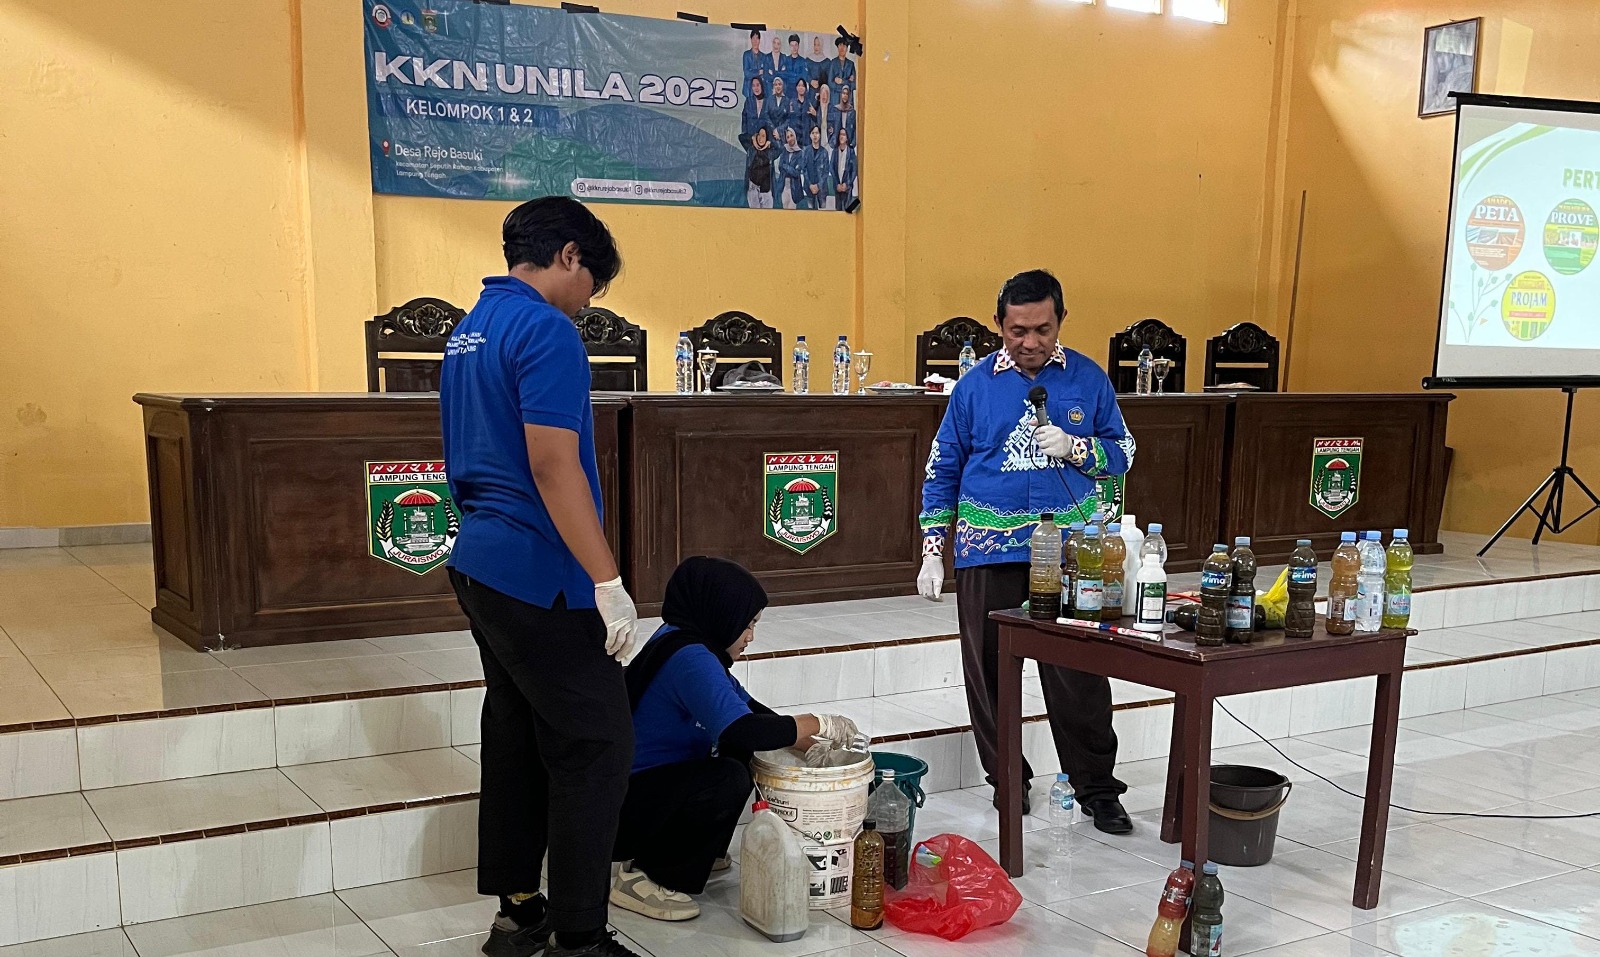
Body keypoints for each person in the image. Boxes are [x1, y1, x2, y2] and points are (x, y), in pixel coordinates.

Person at [441, 196, 645, 957]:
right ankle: (580, 936)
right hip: (537, 573)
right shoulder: (547, 330)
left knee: (518, 729)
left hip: (479, 565)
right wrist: (607, 580)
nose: (590, 301)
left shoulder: (469, 329)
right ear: (567, 255)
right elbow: (553, 465)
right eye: (593, 280)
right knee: (596, 741)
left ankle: (520, 911)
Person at [916, 269, 1137, 835]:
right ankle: (1006, 778)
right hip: (988, 550)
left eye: (1041, 329)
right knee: (989, 672)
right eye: (1017, 331)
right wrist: (933, 550)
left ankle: (1096, 788)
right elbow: (942, 470)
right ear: (999, 326)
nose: (1030, 342)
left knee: (1080, 672)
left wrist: (1077, 446)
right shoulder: (972, 388)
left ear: (1060, 320)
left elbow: (1123, 453)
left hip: (1069, 550)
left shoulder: (1088, 379)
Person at [612, 557, 862, 921]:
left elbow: (750, 712)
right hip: (624, 810)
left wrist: (814, 749)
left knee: (741, 751)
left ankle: (698, 851)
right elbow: (742, 729)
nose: (751, 636)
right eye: (747, 624)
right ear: (719, 613)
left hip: (644, 793)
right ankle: (645, 874)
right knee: (727, 776)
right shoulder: (690, 658)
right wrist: (818, 722)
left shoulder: (684, 639)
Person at [801, 124, 832, 211]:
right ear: (810, 135)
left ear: (820, 135)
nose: (815, 135)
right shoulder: (806, 151)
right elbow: (804, 169)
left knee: (823, 215)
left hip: (822, 189)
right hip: (809, 187)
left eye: (817, 133)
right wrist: (810, 185)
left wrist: (818, 186)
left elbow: (826, 171)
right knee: (810, 214)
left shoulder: (824, 152)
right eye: (813, 133)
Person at [745, 126, 776, 209]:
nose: (760, 138)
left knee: (767, 217)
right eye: (759, 135)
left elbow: (780, 147)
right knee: (754, 217)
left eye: (763, 136)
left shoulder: (770, 152)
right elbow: (741, 138)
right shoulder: (752, 149)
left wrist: (770, 143)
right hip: (753, 188)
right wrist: (753, 139)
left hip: (766, 190)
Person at [777, 127, 806, 209]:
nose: (790, 138)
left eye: (791, 135)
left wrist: (786, 166)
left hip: (794, 188)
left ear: (795, 136)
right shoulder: (784, 150)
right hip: (783, 187)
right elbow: (780, 166)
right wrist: (790, 168)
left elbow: (796, 173)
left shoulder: (800, 153)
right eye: (788, 137)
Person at [832, 127, 857, 209]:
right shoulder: (835, 151)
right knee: (838, 210)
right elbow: (832, 168)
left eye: (844, 134)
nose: (841, 136)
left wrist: (847, 183)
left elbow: (854, 170)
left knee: (847, 210)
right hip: (837, 187)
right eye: (840, 134)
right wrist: (837, 184)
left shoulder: (851, 152)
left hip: (847, 187)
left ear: (847, 138)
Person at [764, 76, 793, 146]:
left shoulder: (787, 100)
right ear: (773, 86)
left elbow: (789, 118)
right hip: (770, 133)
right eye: (776, 85)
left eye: (779, 84)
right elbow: (766, 115)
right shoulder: (769, 99)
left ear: (783, 86)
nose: (778, 86)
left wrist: (779, 130)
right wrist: (774, 130)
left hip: (783, 134)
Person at [740, 76, 766, 149]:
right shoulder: (749, 101)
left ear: (762, 86)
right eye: (753, 86)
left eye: (758, 85)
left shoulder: (768, 101)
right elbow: (744, 117)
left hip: (764, 141)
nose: (756, 88)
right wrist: (746, 133)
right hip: (750, 139)